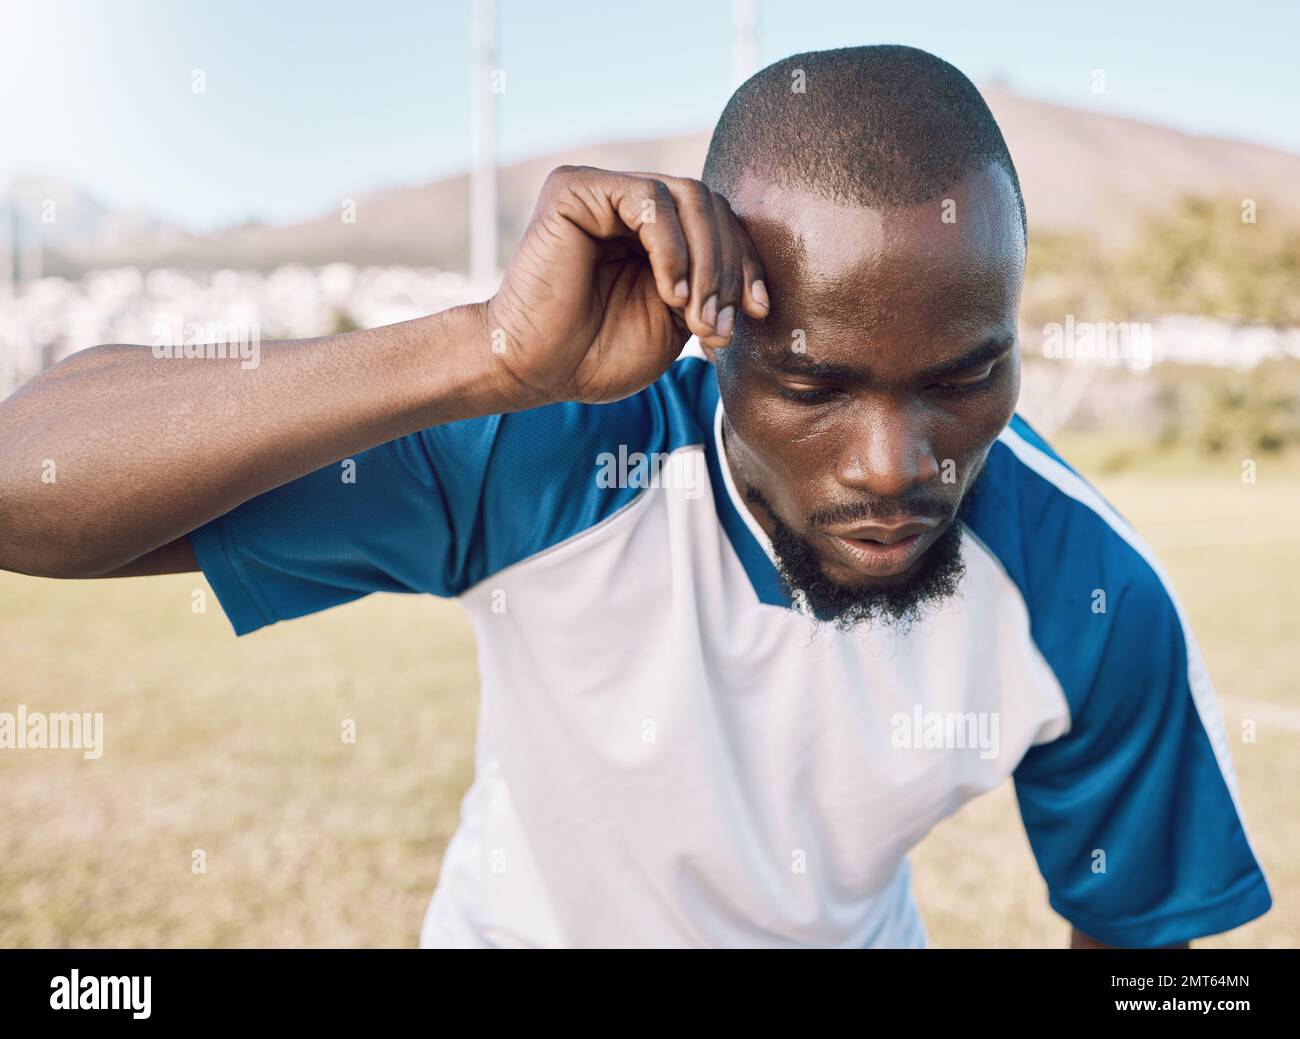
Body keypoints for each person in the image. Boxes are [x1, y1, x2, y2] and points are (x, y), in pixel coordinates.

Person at [0, 44, 1271, 948]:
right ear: (711, 336)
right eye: (814, 386)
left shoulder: (1090, 589)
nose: (895, 463)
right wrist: (488, 355)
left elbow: (1136, 938)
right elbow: (26, 485)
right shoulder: (546, 449)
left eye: (964, 374)